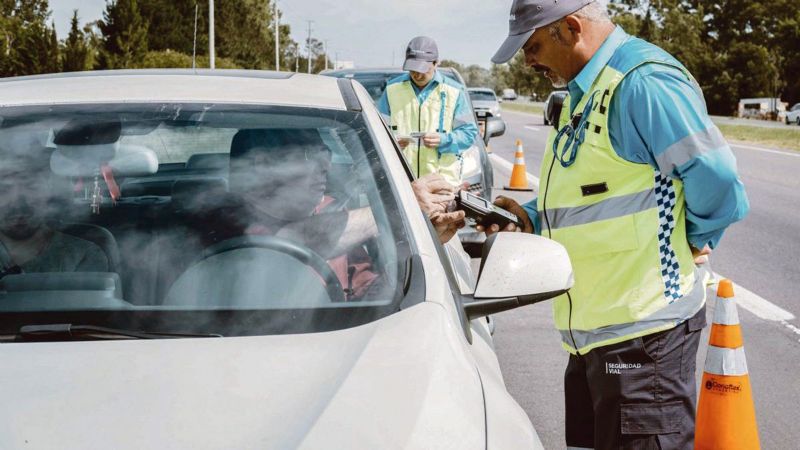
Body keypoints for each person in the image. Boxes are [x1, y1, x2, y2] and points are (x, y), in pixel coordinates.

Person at [487, 1, 749, 449]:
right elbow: (599, 195)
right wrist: (530, 216)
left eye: (532, 46)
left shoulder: (642, 83)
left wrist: (690, 239)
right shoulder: (583, 90)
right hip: (594, 337)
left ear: (570, 28)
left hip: (644, 339)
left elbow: (718, 176)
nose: (527, 61)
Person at [377, 36, 478, 186]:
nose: (417, 75)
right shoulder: (392, 89)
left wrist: (443, 140)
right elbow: (378, 131)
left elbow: (468, 134)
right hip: (401, 182)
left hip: (442, 183)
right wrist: (392, 141)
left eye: (422, 69)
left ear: (436, 63)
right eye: (412, 70)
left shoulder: (455, 91)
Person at [0, 149, 109, 276]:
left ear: (48, 190)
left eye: (31, 186)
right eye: (4, 188)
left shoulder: (82, 254)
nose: (18, 201)